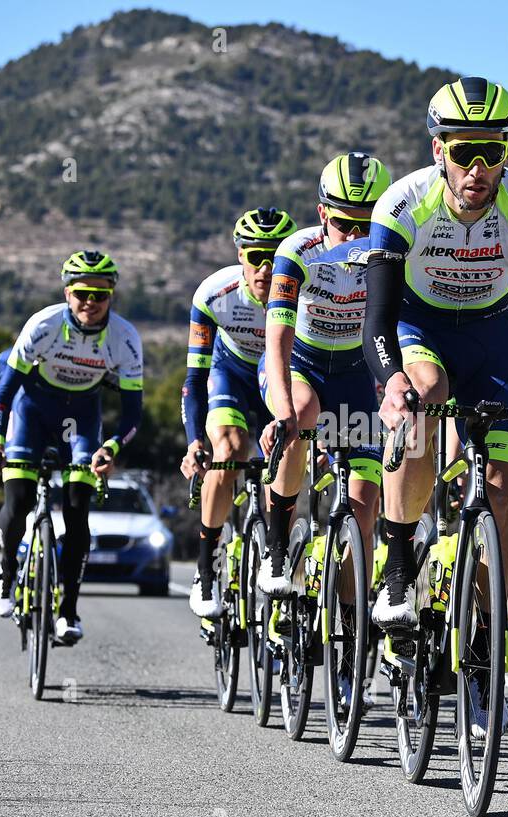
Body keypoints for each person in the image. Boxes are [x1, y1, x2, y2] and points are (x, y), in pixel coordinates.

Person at [362, 76, 508, 735]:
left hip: (492, 339)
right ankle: (401, 564)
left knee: (498, 496)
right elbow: (375, 317)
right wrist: (390, 381)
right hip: (418, 330)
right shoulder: (403, 202)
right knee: (422, 400)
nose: (477, 168)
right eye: (464, 150)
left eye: (491, 151)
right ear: (438, 149)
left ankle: (486, 647)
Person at [0, 251, 143, 645]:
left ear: (111, 296)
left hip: (82, 419)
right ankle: (6, 572)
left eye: (100, 296)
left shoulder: (124, 339)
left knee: (77, 509)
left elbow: (133, 412)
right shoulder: (43, 325)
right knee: (17, 500)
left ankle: (68, 610)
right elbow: (5, 389)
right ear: (67, 293)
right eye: (81, 293)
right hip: (32, 411)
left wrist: (112, 448)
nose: (90, 302)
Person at [257, 152, 392, 598]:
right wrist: (281, 411)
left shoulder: (392, 249)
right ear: (321, 214)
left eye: (365, 225)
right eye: (343, 224)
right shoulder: (297, 252)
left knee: (363, 507)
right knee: (302, 413)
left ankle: (351, 626)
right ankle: (276, 546)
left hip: (355, 374)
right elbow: (276, 337)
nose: (354, 236)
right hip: (302, 365)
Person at [180, 208, 299, 617]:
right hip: (230, 375)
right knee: (228, 449)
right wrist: (195, 440)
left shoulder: (306, 293)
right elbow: (194, 379)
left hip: (279, 378)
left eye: (274, 257)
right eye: (255, 257)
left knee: (281, 463)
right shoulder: (214, 295)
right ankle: (206, 567)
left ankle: (274, 557)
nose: (265, 268)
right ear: (240, 258)